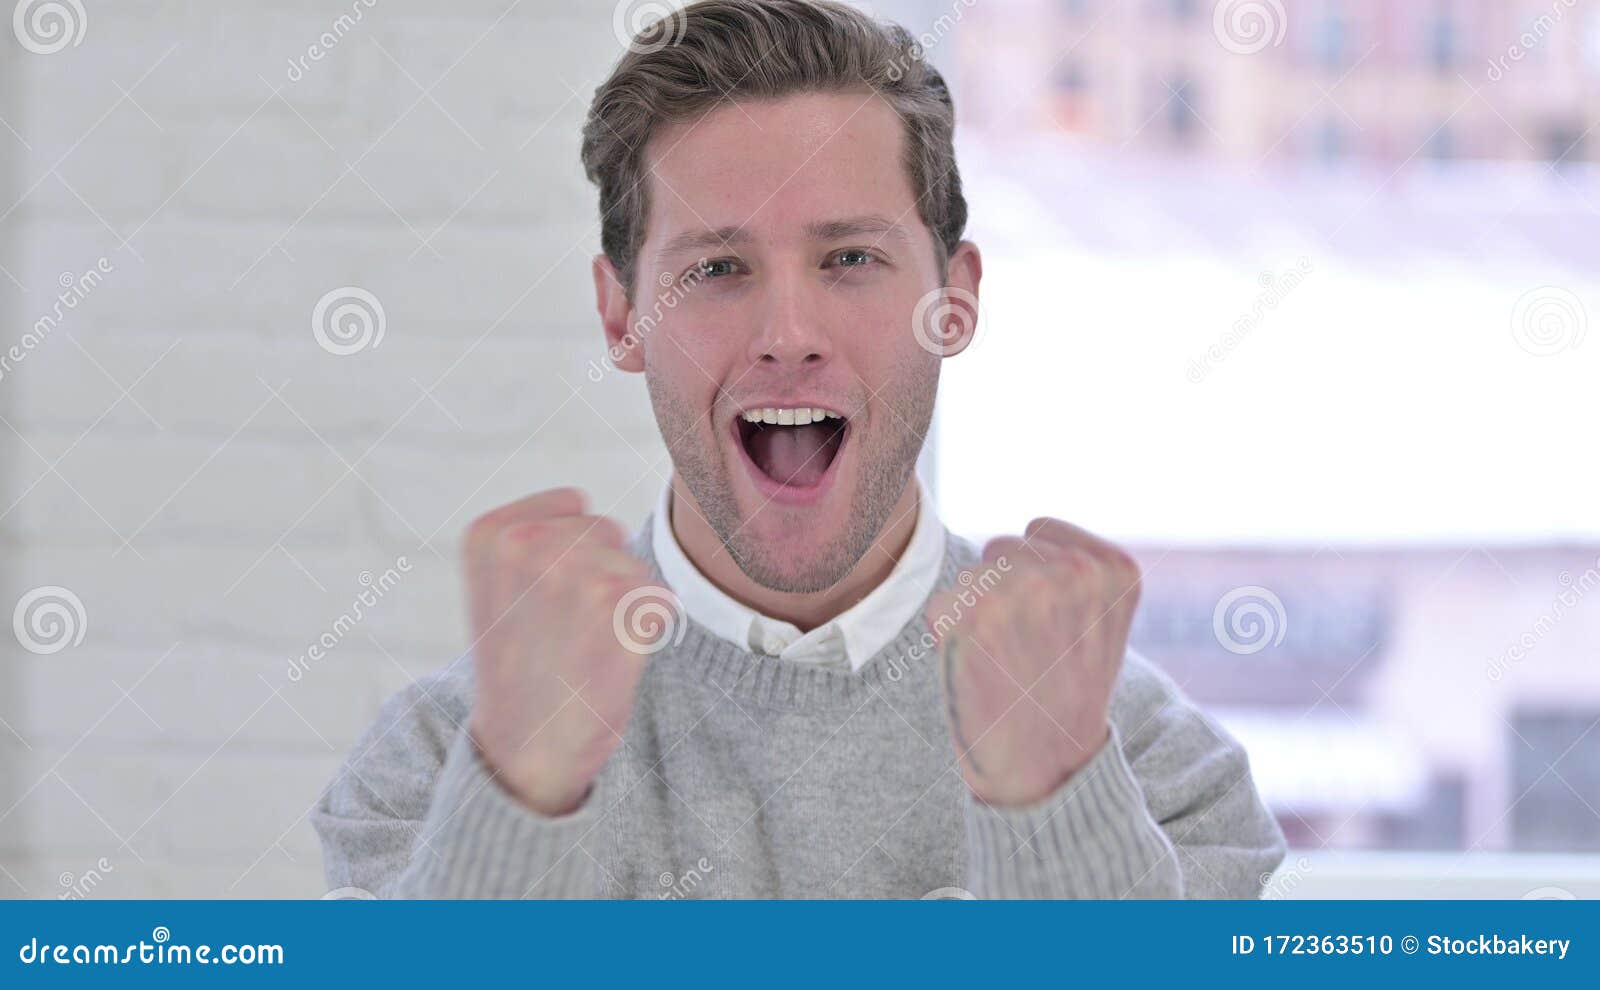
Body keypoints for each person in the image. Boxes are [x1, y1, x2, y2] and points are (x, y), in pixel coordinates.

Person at [312, 0, 1286, 899]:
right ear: (622, 317)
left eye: (849, 259)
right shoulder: (440, 769)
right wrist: (518, 812)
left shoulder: (1156, 772)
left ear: (954, 301)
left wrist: (1057, 814)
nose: (787, 331)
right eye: (718, 267)